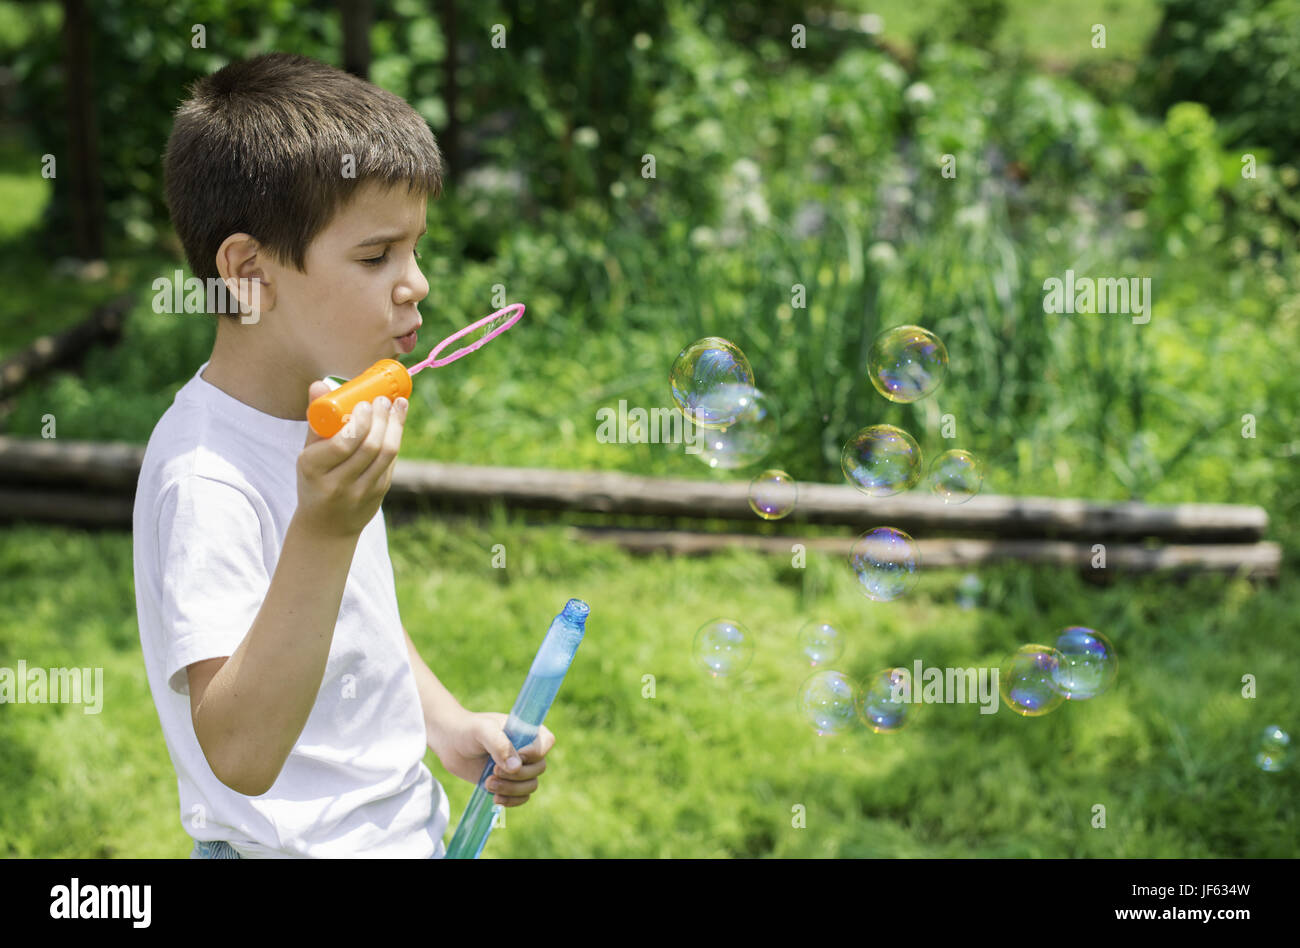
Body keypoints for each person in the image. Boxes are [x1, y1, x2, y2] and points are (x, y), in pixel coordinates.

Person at [132, 51, 553, 858]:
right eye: (376, 256)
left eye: (415, 249)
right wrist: (324, 533)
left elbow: (359, 621)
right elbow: (241, 754)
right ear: (249, 274)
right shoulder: (205, 475)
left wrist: (447, 724)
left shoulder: (323, 413)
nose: (417, 284)